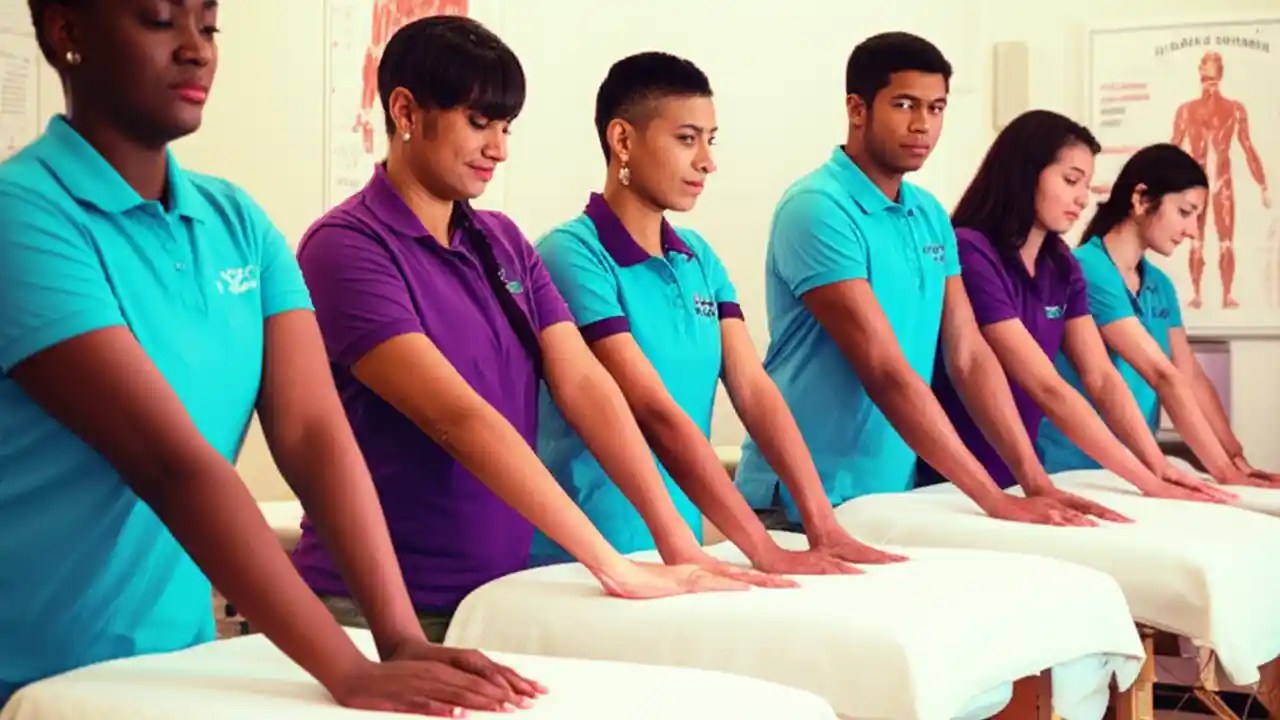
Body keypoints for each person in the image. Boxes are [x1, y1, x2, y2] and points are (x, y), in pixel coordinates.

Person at [1, 1, 545, 715]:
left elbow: (314, 434)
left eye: (208, 24)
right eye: (159, 20)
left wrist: (398, 636)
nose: (195, 49)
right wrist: (345, 669)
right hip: (34, 672)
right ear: (65, 31)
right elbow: (170, 463)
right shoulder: (24, 216)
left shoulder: (238, 225)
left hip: (181, 669)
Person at [292, 17, 763, 646]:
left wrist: (679, 545)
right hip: (376, 610)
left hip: (501, 599)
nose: (499, 148)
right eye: (479, 123)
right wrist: (609, 562)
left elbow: (586, 387)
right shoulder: (346, 248)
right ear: (405, 110)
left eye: (506, 127)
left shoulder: (505, 244)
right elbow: (457, 416)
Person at [530, 52, 906, 571]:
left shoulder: (699, 258)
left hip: (683, 550)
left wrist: (823, 526)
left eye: (711, 140)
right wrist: (764, 549)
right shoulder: (571, 255)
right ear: (622, 141)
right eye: (686, 139)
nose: (707, 161)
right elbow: (654, 411)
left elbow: (754, 391)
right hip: (592, 554)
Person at [732, 32, 1126, 528]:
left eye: (936, 108)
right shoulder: (817, 207)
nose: (923, 125)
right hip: (798, 498)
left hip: (891, 494)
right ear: (857, 109)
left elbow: (968, 355)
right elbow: (884, 369)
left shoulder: (930, 215)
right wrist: (993, 498)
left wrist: (1034, 480)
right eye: (904, 105)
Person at [923, 109, 1235, 504]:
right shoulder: (970, 250)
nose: (1082, 198)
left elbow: (1101, 378)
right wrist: (1148, 480)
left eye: (1086, 184)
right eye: (1071, 180)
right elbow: (1045, 386)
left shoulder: (1062, 265)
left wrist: (1158, 467)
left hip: (1020, 475)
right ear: (1026, 172)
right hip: (955, 483)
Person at [1038, 143, 1280, 488]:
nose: (1194, 230)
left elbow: (1189, 375)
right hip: (1076, 468)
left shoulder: (1159, 284)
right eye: (1185, 212)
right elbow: (1162, 375)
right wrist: (1225, 473)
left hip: (1136, 465)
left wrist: (1236, 460)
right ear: (1140, 199)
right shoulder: (1088, 269)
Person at [1170, 51, 1271, 310]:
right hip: (1195, 185)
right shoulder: (1186, 110)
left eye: (1213, 81)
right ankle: (1196, 295)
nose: (1210, 88)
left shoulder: (1234, 110)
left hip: (1222, 183)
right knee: (1196, 240)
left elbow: (1247, 148)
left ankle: (1226, 295)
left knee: (1226, 241)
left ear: (1220, 77)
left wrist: (1263, 185)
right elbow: (1171, 149)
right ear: (1200, 76)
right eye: (1206, 81)